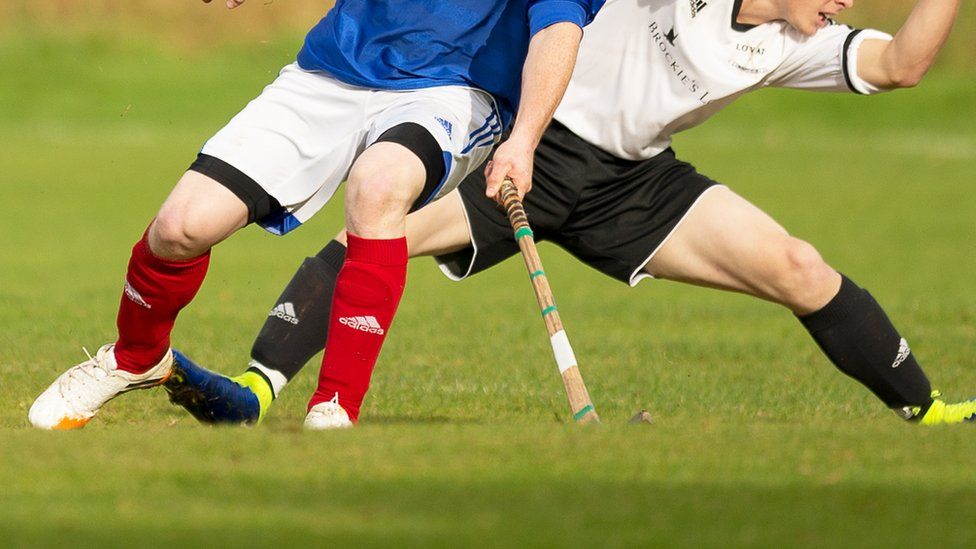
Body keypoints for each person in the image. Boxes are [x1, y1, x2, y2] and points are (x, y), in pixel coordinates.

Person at [166, 0, 975, 427]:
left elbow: (902, 64)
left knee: (797, 265)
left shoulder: (797, 42)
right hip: (534, 144)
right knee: (379, 230)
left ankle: (925, 407)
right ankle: (261, 384)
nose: (845, 2)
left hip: (635, 184)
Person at [27, 0, 605, 431]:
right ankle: (136, 359)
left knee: (379, 185)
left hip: (455, 92)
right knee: (182, 226)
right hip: (331, 69)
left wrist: (525, 138)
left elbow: (558, 27)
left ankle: (334, 409)